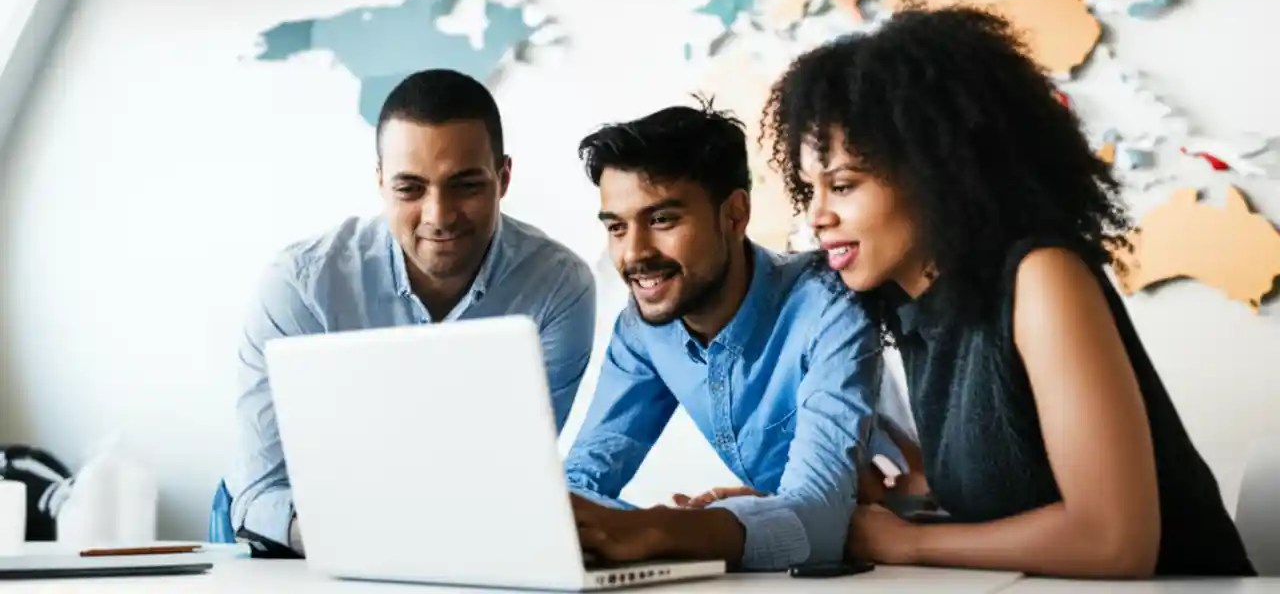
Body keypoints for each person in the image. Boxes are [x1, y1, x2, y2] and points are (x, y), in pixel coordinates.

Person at [758, 5, 1255, 577]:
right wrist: (805, 506)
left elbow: (1114, 542)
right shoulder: (915, 311)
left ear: (933, 173)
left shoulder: (1042, 277)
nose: (817, 216)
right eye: (809, 188)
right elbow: (1007, 487)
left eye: (843, 185)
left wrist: (909, 544)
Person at [227, 69, 595, 554]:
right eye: (410, 189)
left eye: (465, 186)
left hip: (457, 540)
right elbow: (260, 496)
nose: (438, 216)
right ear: (380, 182)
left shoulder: (558, 288)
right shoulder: (301, 286)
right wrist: (367, 536)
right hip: (297, 541)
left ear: (503, 179)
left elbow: (512, 476)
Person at [565, 102, 887, 571]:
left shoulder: (829, 304)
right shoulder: (643, 329)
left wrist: (668, 530)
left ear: (735, 215)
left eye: (662, 221)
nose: (634, 253)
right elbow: (578, 486)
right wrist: (672, 530)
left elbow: (819, 525)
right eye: (617, 227)